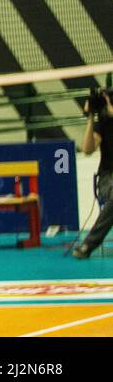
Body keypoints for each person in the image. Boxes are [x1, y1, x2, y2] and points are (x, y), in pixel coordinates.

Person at [73, 88, 113, 258]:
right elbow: (87, 149)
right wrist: (91, 118)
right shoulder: (103, 123)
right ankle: (89, 244)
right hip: (108, 177)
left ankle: (89, 244)